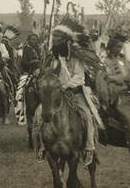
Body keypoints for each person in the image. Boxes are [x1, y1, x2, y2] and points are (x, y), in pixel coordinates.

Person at [43, 22, 105, 165]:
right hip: (55, 93)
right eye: (54, 38)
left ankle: (89, 148)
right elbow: (49, 73)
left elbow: (79, 77)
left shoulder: (77, 56)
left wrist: (64, 86)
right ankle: (43, 146)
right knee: (41, 114)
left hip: (76, 92)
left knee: (87, 116)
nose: (55, 41)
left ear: (65, 40)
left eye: (58, 38)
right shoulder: (52, 57)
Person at [100, 32, 130, 165]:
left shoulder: (122, 60)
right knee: (129, 121)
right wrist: (122, 79)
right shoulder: (105, 62)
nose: (119, 49)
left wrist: (129, 81)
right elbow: (107, 79)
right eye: (117, 47)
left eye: (120, 47)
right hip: (117, 95)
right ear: (110, 47)